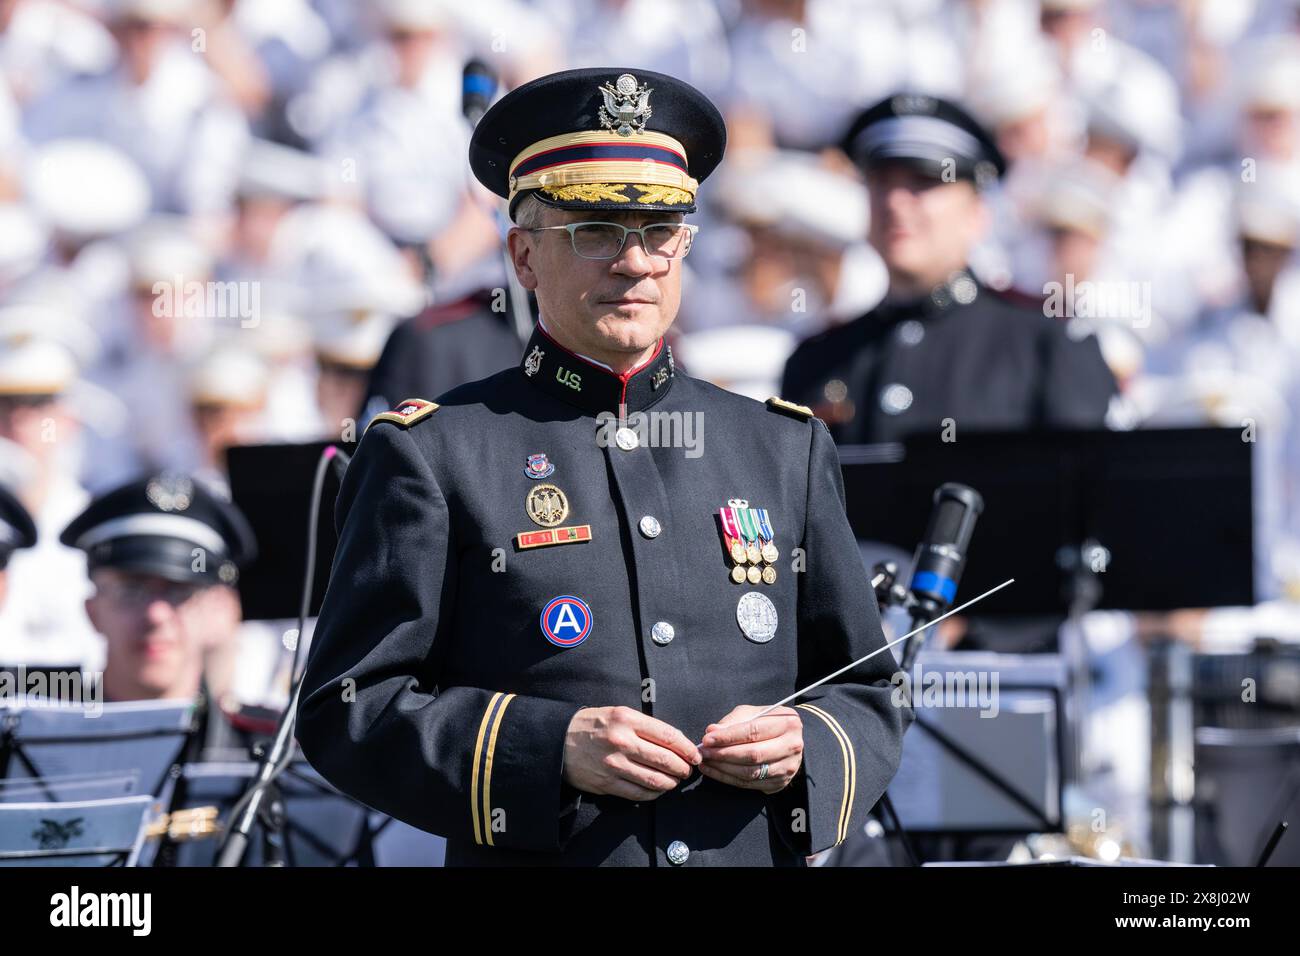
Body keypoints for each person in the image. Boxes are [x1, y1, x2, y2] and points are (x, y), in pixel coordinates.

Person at [296, 67, 913, 867]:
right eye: (594, 231)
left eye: (660, 231)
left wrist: (806, 746)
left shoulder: (780, 448)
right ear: (523, 256)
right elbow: (351, 705)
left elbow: (868, 691)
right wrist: (548, 747)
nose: (636, 262)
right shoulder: (434, 452)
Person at [781, 93, 1118, 444]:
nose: (895, 202)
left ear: (977, 212)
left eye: (923, 181)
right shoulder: (817, 361)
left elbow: (1092, 490)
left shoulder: (1045, 343)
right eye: (882, 181)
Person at [61, 472, 259, 758]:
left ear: (219, 609)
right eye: (131, 591)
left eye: (180, 591)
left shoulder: (266, 755)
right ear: (92, 610)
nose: (156, 614)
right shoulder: (30, 741)